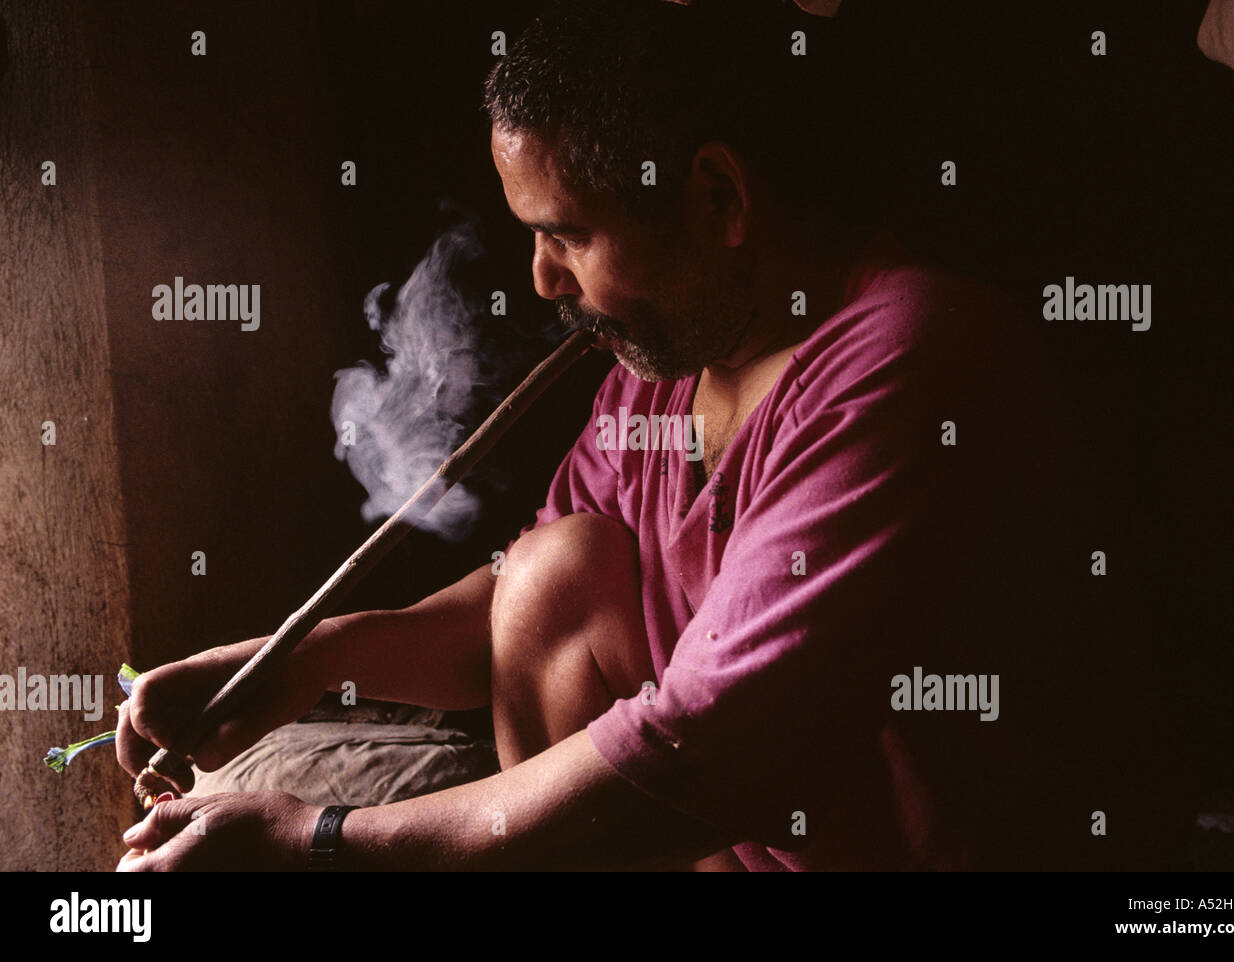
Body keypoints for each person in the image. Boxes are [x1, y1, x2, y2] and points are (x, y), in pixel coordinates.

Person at [116, 0, 1079, 871]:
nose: (541, 278)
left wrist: (322, 843)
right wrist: (307, 660)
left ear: (716, 199)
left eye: (567, 234)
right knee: (549, 571)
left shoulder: (908, 355)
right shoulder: (659, 371)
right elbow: (511, 611)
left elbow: (712, 748)